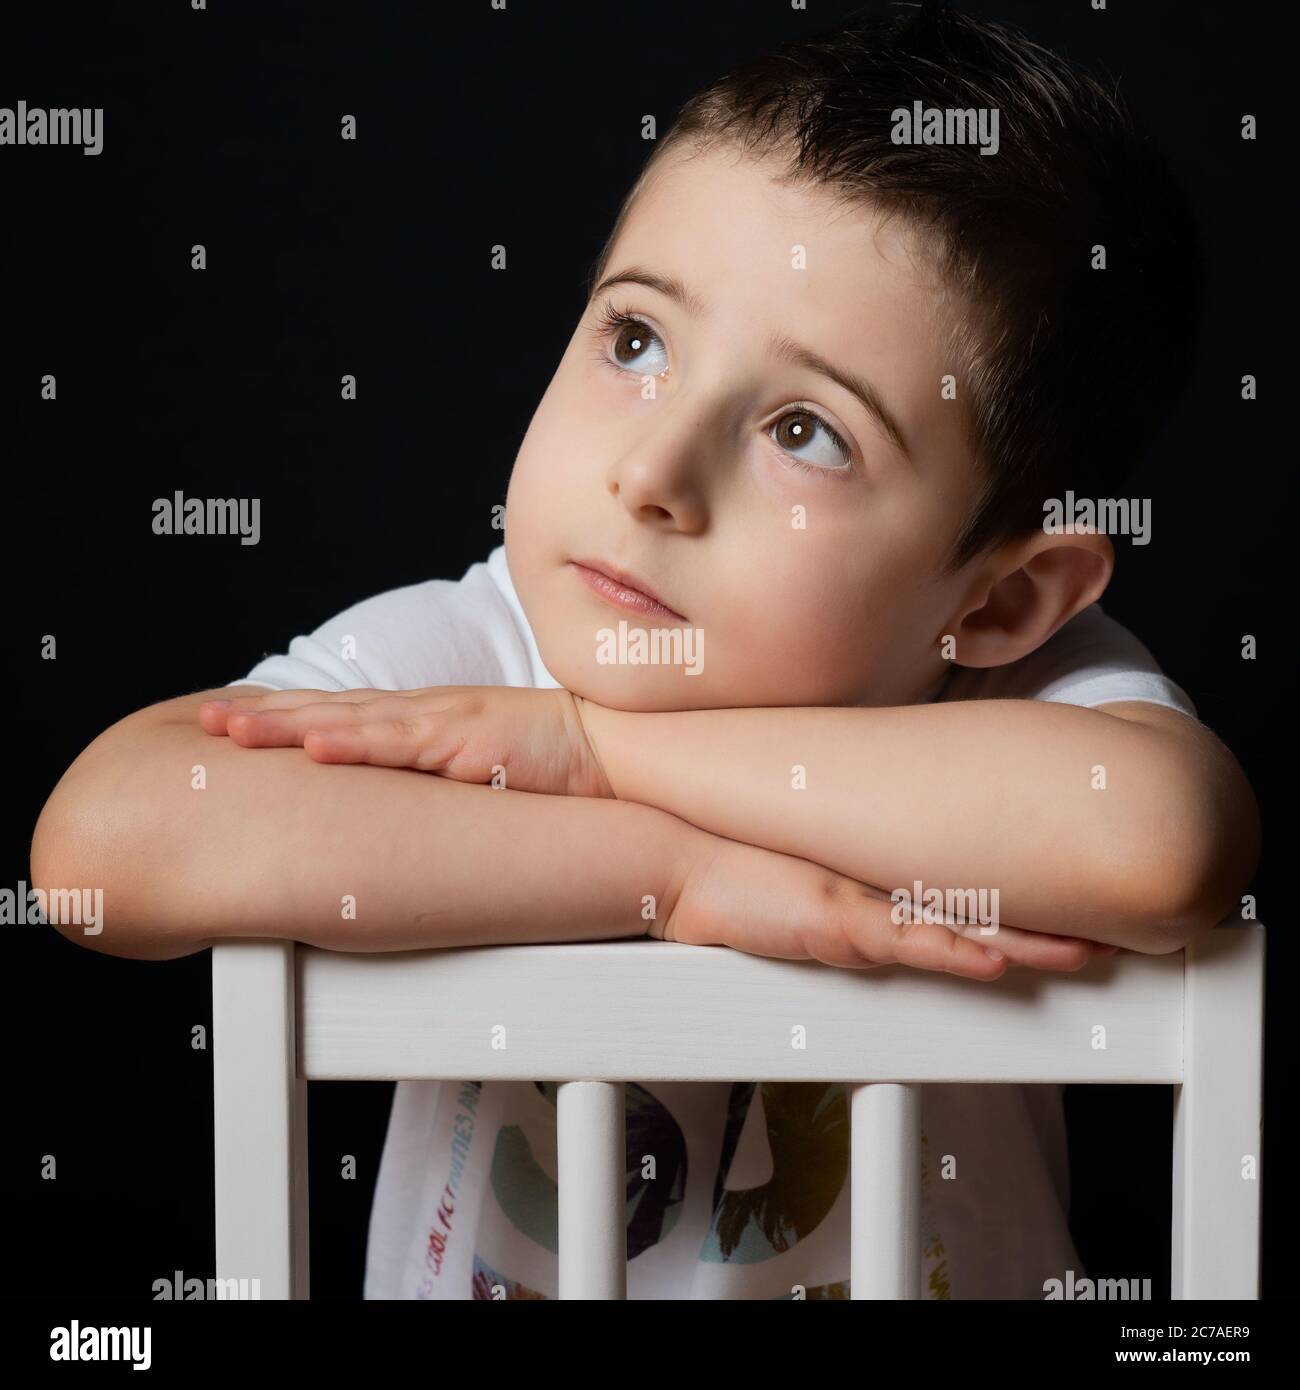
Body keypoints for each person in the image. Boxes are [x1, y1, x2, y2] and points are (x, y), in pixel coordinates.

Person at [32, 5, 1259, 1299]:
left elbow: (1164, 841)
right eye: (636, 341)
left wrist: (593, 748)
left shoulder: (1014, 688)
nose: (653, 472)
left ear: (1002, 600)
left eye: (807, 430)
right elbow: (105, 847)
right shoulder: (490, 649)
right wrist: (670, 874)